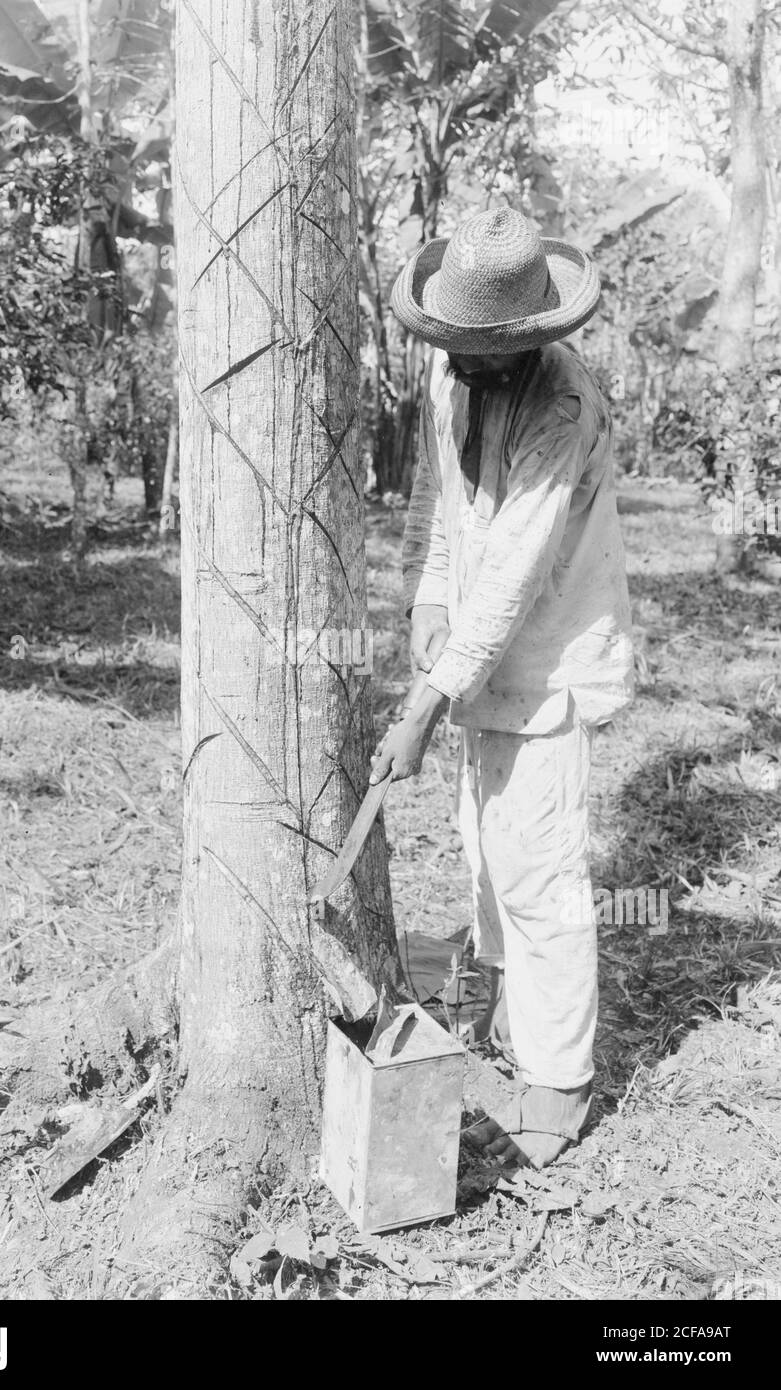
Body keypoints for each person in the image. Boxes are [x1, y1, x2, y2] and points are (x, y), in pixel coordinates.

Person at [370, 207, 634, 1168]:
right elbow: (449, 509)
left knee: (542, 879)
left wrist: (419, 709)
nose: (464, 363)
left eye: (486, 351)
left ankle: (557, 1084)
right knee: (485, 853)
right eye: (455, 347)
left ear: (530, 339)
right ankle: (498, 1018)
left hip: (547, 655)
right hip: (477, 663)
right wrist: (428, 602)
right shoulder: (453, 374)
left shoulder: (562, 408)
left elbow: (517, 572)